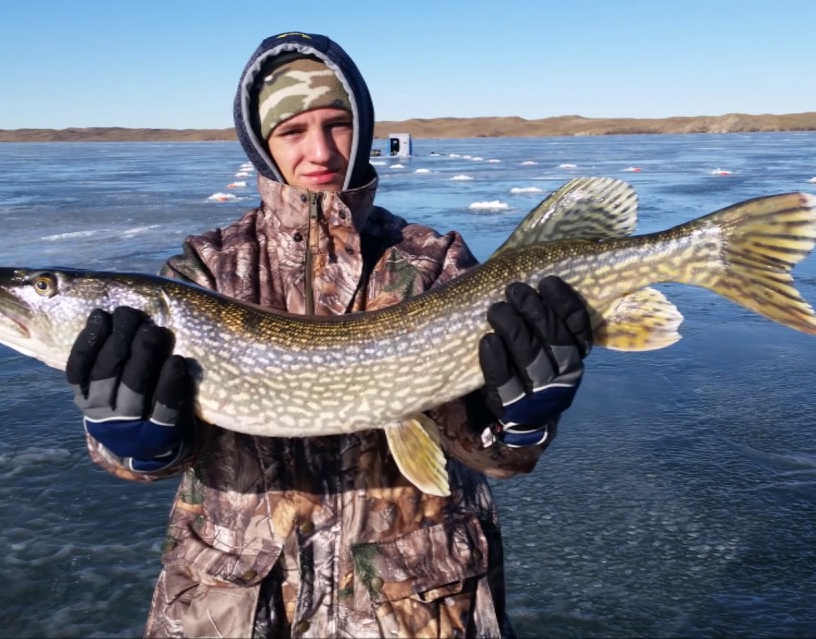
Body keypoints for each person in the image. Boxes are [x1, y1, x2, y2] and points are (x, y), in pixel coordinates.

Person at [67, 31, 593, 638]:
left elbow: (490, 454)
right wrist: (137, 445)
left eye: (338, 124)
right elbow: (156, 460)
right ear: (262, 145)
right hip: (237, 605)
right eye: (292, 131)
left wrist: (521, 425)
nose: (320, 150)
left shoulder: (432, 261)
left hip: (419, 602)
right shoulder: (205, 271)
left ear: (363, 129)